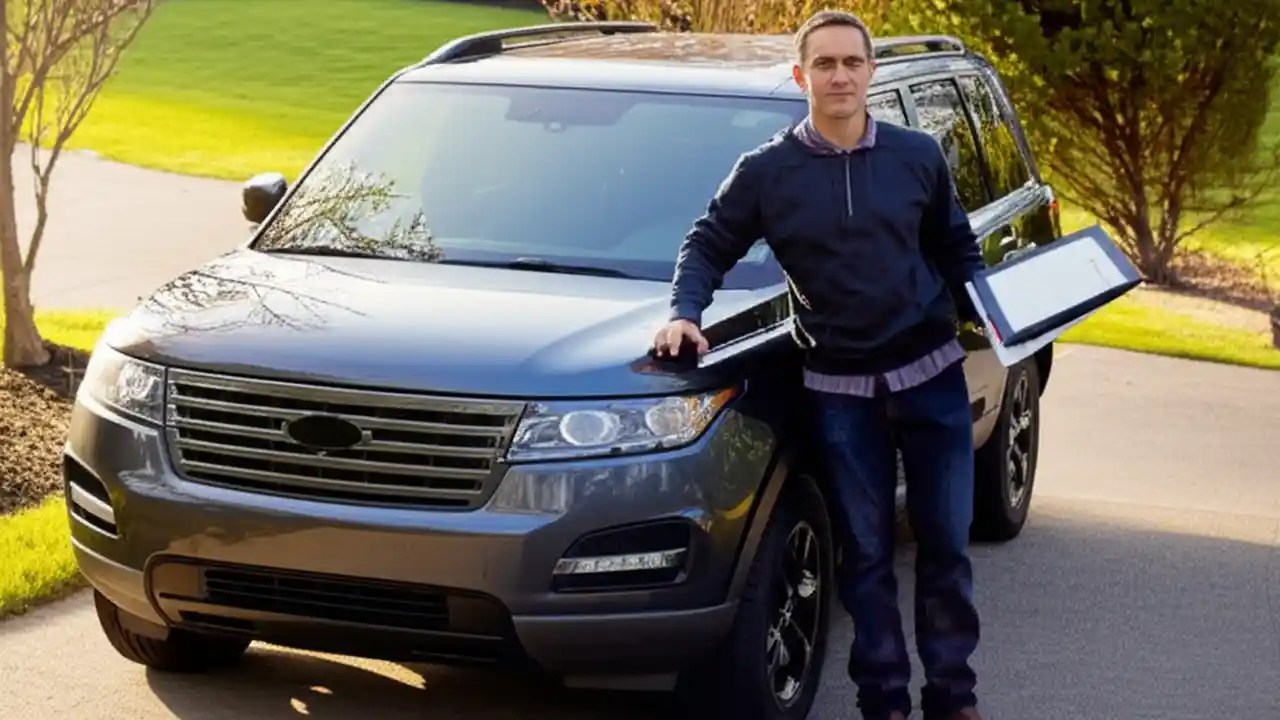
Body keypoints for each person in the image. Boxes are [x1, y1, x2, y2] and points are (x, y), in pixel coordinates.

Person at [652, 10, 987, 720]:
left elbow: (957, 249)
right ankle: (884, 701)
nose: (840, 76)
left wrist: (990, 307)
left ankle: (953, 697)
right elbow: (707, 243)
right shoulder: (766, 172)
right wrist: (685, 312)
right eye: (825, 64)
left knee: (946, 548)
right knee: (865, 554)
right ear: (801, 75)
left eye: (852, 63)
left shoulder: (918, 155)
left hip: (932, 379)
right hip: (841, 392)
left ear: (872, 72)